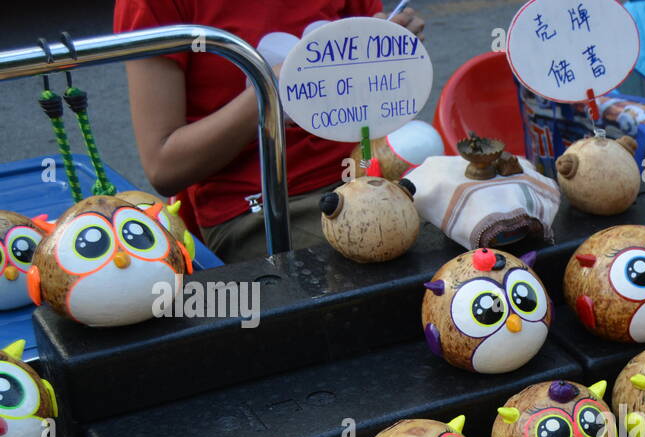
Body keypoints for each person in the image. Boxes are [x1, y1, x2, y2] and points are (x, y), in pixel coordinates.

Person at [114, 0, 425, 262]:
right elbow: (164, 165)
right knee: (397, 261)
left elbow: (365, 94)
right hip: (261, 208)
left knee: (465, 226)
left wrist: (389, 51)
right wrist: (271, 91)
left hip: (367, 170)